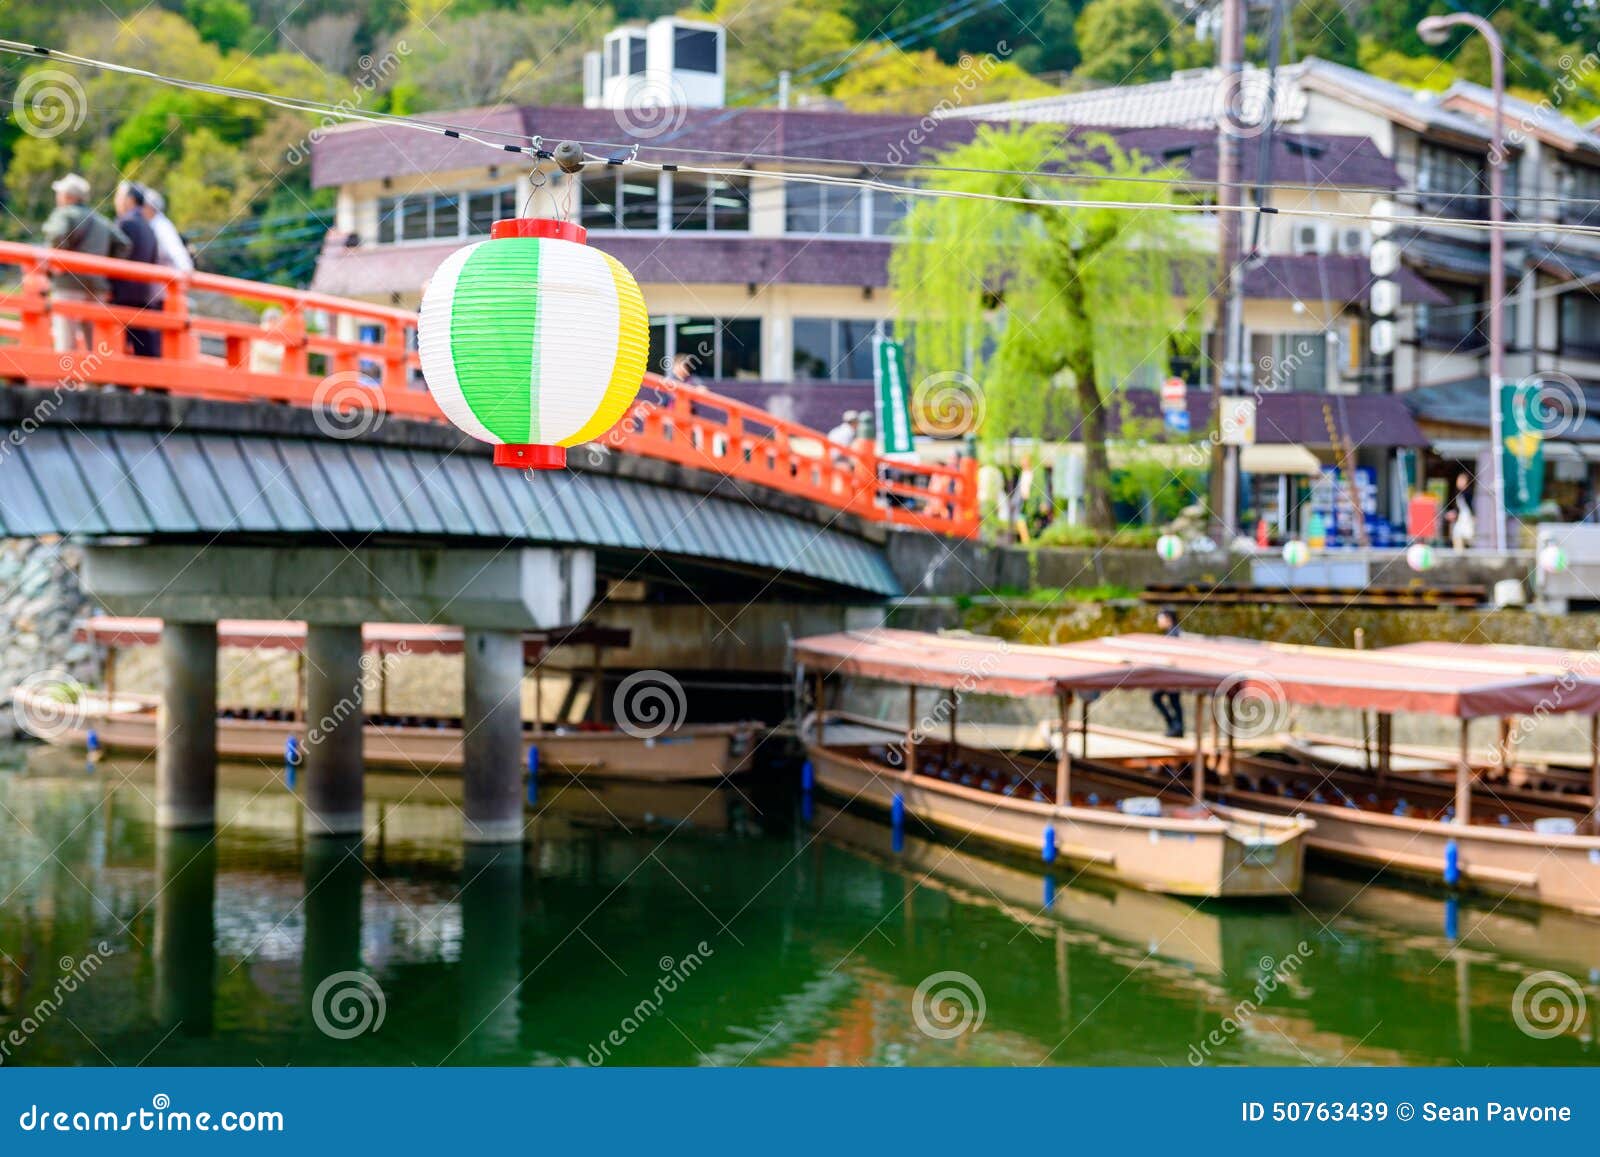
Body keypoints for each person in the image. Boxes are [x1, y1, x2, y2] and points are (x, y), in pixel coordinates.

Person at [41, 173, 129, 352]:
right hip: (97, 286)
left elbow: (56, 235)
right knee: (94, 341)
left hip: (68, 284)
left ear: (68, 196)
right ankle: (93, 380)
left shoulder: (64, 214)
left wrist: (58, 260)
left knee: (66, 338)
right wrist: (106, 267)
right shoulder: (101, 220)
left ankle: (67, 379)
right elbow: (123, 244)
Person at [111, 181, 163, 357]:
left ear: (130, 200)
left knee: (116, 344)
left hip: (124, 293)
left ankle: (118, 382)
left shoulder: (125, 223)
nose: (115, 201)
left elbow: (114, 257)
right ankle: (153, 382)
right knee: (144, 345)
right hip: (144, 294)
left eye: (118, 197)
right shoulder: (149, 226)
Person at [1150, 606, 1185, 738]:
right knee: (1172, 701)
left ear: (1168, 618)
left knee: (1166, 699)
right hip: (1171, 674)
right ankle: (1176, 727)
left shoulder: (1174, 634)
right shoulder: (1173, 632)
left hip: (1173, 674)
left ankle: (1176, 727)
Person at [141, 188, 193, 273]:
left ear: (150, 208)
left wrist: (185, 269)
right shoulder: (153, 223)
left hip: (169, 278)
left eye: (143, 206)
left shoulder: (161, 226)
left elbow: (176, 252)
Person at [1445, 471, 1476, 552]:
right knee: (1457, 537)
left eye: (1462, 480)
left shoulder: (1469, 494)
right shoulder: (1458, 494)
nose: (1459, 482)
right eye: (1458, 480)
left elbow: (1471, 508)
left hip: (1467, 520)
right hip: (1460, 521)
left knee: (1466, 539)